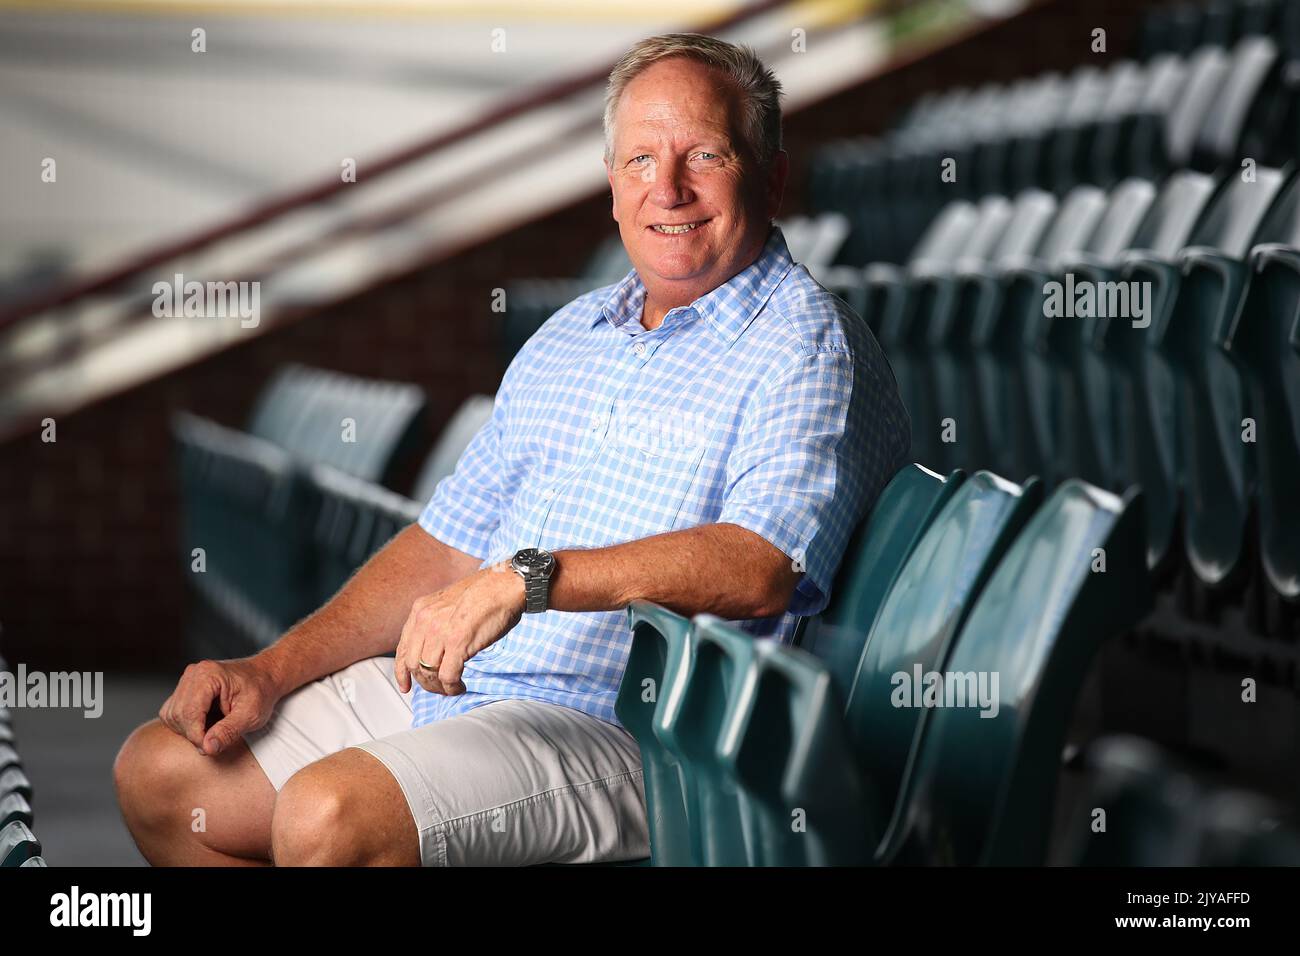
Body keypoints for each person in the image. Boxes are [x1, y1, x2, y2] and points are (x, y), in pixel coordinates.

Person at [113, 32, 911, 867]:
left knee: (328, 817)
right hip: (464, 696)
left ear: (772, 175)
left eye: (703, 155)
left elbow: (761, 565)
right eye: (639, 159)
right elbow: (447, 545)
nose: (666, 188)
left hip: (638, 734)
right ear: (611, 186)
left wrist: (527, 579)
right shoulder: (574, 333)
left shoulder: (805, 345)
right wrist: (271, 671)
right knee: (165, 775)